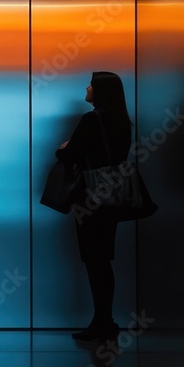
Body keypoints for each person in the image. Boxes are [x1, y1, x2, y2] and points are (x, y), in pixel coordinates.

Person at [55, 71, 131, 341]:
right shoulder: (122, 121)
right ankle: (105, 319)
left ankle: (101, 321)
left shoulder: (92, 119)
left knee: (93, 258)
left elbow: (71, 153)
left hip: (90, 198)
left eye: (91, 85)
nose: (87, 88)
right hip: (112, 196)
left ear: (101, 91)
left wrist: (63, 147)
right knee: (103, 259)